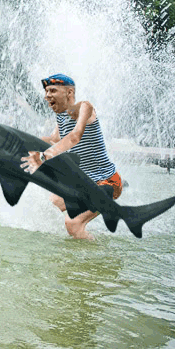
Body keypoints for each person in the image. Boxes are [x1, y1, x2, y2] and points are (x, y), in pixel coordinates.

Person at [20, 74, 123, 240]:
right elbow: (54, 140)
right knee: (51, 205)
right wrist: (23, 141)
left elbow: (75, 136)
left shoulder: (85, 107)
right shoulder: (61, 116)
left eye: (52, 90)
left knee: (73, 223)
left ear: (69, 92)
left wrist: (44, 157)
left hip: (107, 182)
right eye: (46, 92)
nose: (47, 96)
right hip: (83, 183)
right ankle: (77, 240)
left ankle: (98, 259)